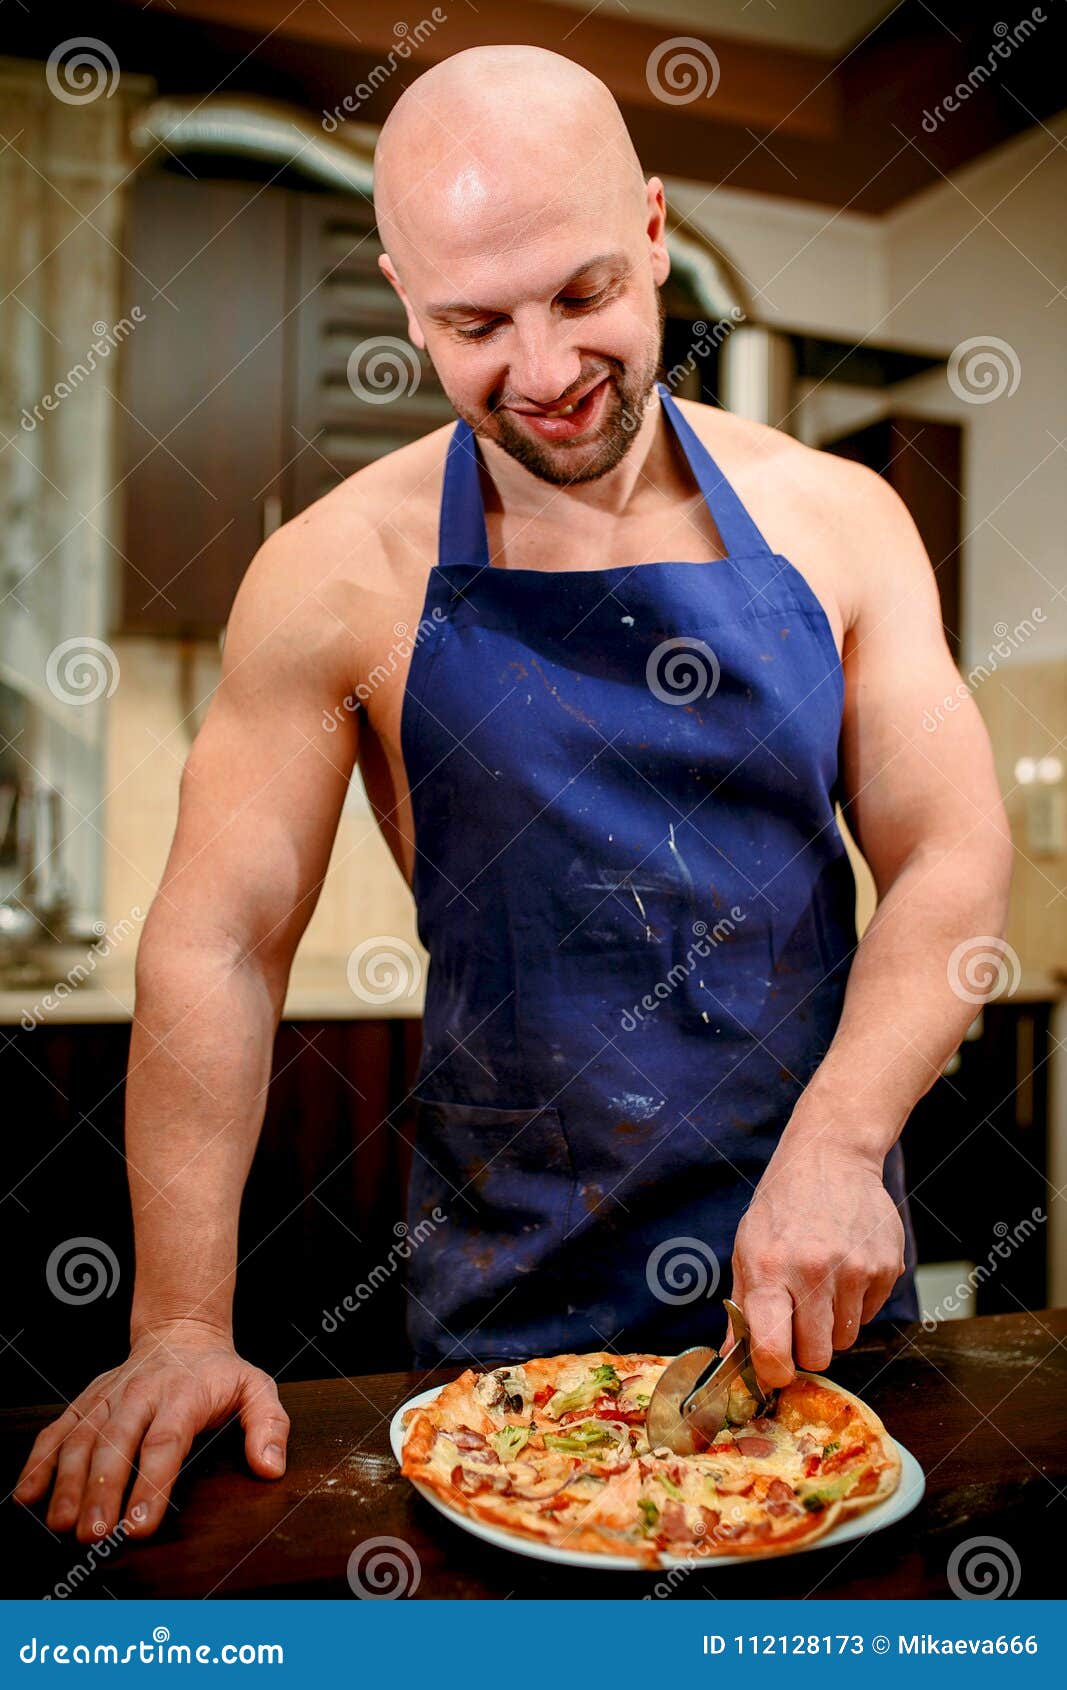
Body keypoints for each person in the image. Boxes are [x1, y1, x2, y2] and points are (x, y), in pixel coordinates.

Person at [16, 44, 1010, 1544]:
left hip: (814, 1301)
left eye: (586, 294)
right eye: (475, 322)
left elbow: (950, 854)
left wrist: (845, 1141)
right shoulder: (334, 571)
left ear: (659, 233)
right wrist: (173, 1325)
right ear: (405, 301)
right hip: (502, 1319)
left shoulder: (841, 521)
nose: (543, 372)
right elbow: (217, 940)